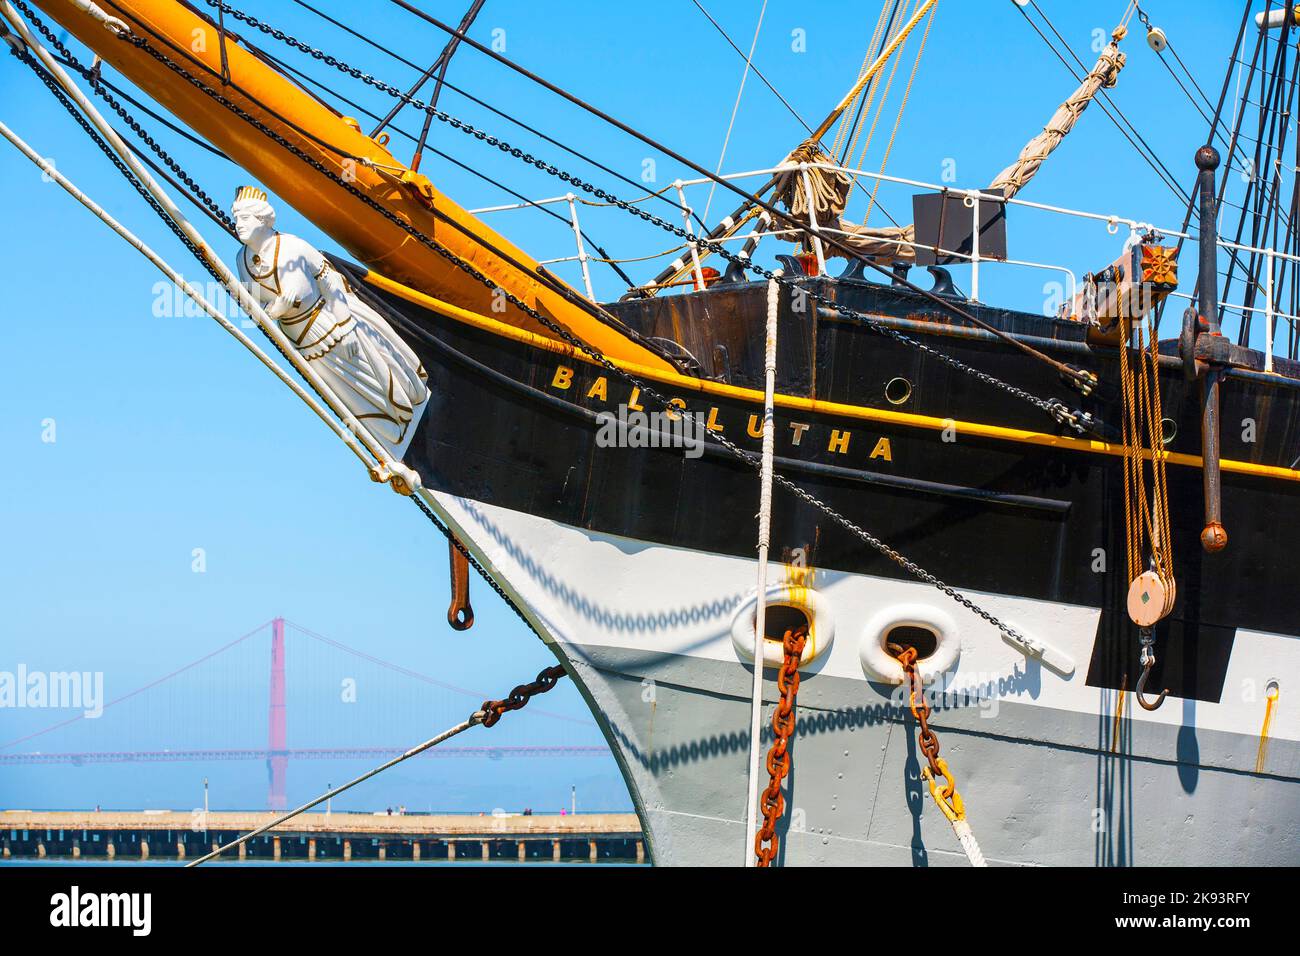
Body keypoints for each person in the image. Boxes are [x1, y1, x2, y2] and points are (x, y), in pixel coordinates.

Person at [231, 186, 429, 454]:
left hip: (332, 325)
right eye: (235, 218)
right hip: (304, 345)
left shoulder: (293, 246)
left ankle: (406, 417)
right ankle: (392, 437)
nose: (237, 224)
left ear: (263, 219)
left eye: (243, 218)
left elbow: (330, 280)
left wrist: (346, 327)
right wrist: (278, 308)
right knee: (353, 398)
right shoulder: (243, 262)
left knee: (375, 380)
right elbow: (254, 312)